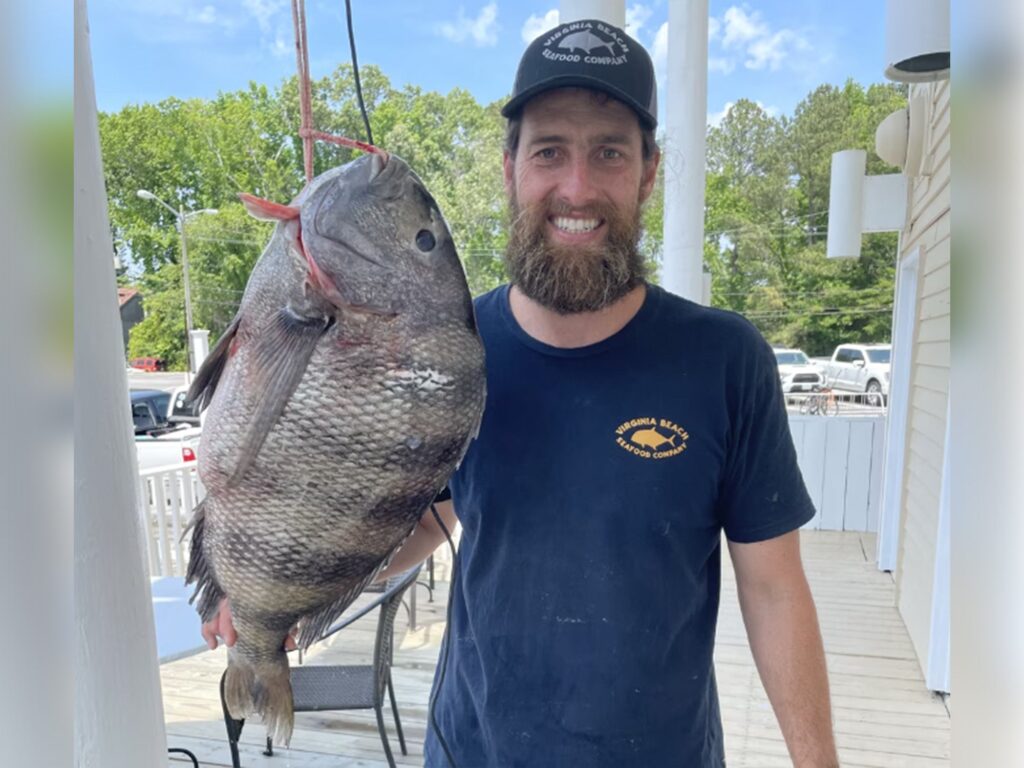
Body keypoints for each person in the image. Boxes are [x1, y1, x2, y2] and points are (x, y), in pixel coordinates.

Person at [204, 18, 839, 767]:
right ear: (510, 167)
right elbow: (426, 514)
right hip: (473, 747)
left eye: (608, 152)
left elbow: (773, 590)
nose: (577, 186)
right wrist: (278, 579)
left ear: (648, 172)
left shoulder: (726, 358)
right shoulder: (445, 350)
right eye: (549, 151)